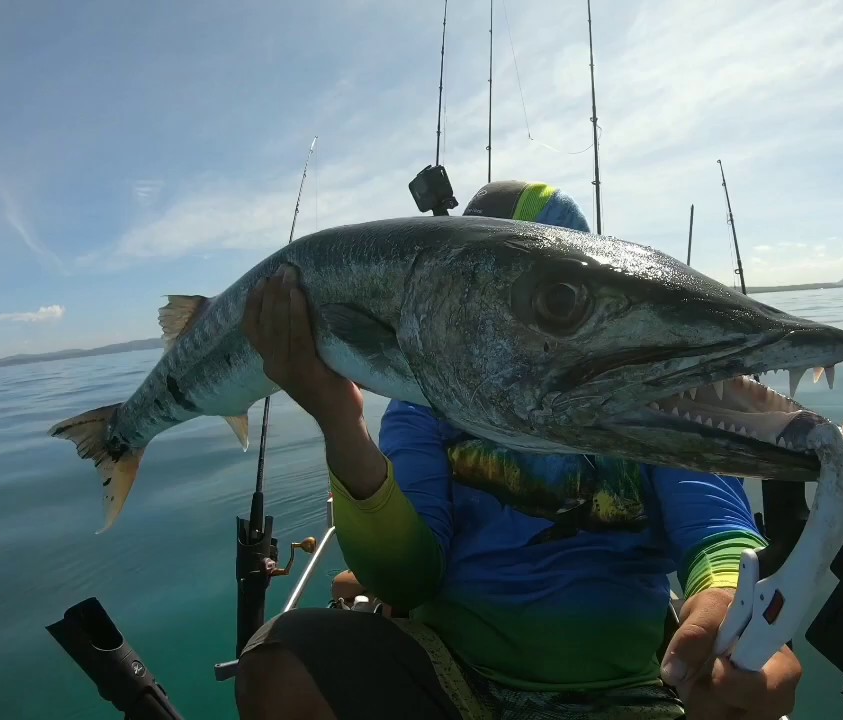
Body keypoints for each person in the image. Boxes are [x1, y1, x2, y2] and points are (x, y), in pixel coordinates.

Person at [235, 180, 802, 720]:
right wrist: (340, 420)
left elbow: (716, 526)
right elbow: (405, 580)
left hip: (633, 687)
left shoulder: (654, 396)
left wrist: (729, 607)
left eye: (564, 305)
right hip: (452, 674)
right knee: (278, 662)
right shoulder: (421, 400)